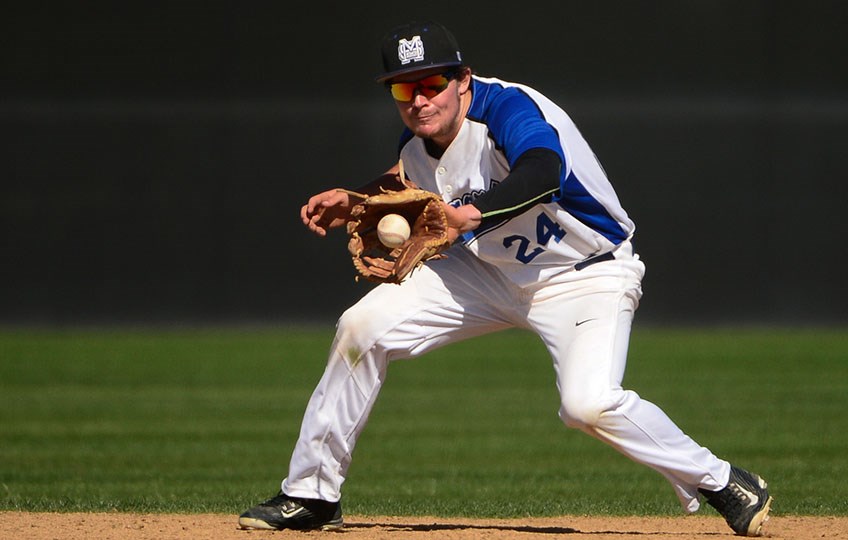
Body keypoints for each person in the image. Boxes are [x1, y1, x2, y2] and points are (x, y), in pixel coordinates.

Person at [239, 20, 773, 537]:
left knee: (587, 405)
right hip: (485, 275)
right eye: (404, 87)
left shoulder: (507, 108)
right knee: (361, 327)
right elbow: (410, 182)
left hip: (581, 275)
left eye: (432, 83)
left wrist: (471, 216)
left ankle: (725, 481)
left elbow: (542, 168)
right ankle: (312, 492)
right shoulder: (419, 139)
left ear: (462, 80)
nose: (420, 99)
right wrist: (357, 201)